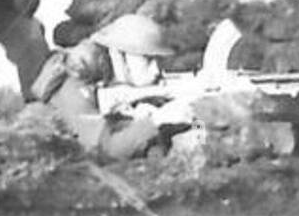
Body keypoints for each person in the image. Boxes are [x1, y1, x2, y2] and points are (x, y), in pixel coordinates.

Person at [32, 13, 191, 160]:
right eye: (147, 60)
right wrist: (156, 120)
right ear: (118, 55)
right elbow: (105, 151)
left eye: (158, 61)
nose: (156, 70)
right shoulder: (72, 87)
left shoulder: (103, 75)